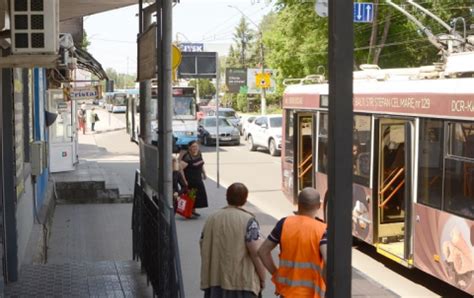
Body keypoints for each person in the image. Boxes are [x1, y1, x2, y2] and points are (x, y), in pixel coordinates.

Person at [258, 188, 327, 298]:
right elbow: (328, 260)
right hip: (312, 294)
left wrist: (277, 276)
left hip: (287, 293)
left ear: (298, 204)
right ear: (319, 206)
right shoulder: (322, 230)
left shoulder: (284, 224)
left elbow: (262, 251)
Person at [200, 183, 266, 298]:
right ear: (245, 199)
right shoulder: (249, 221)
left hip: (215, 280)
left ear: (226, 197)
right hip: (242, 282)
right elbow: (255, 252)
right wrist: (262, 277)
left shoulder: (211, 218)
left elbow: (203, 244)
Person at [180, 140, 208, 216]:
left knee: (198, 195)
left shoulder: (199, 154)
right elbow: (181, 169)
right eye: (193, 147)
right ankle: (188, 211)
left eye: (196, 146)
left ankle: (192, 210)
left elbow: (201, 164)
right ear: (189, 148)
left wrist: (204, 173)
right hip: (191, 180)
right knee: (191, 196)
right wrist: (184, 180)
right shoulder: (187, 157)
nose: (195, 148)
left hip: (198, 179)